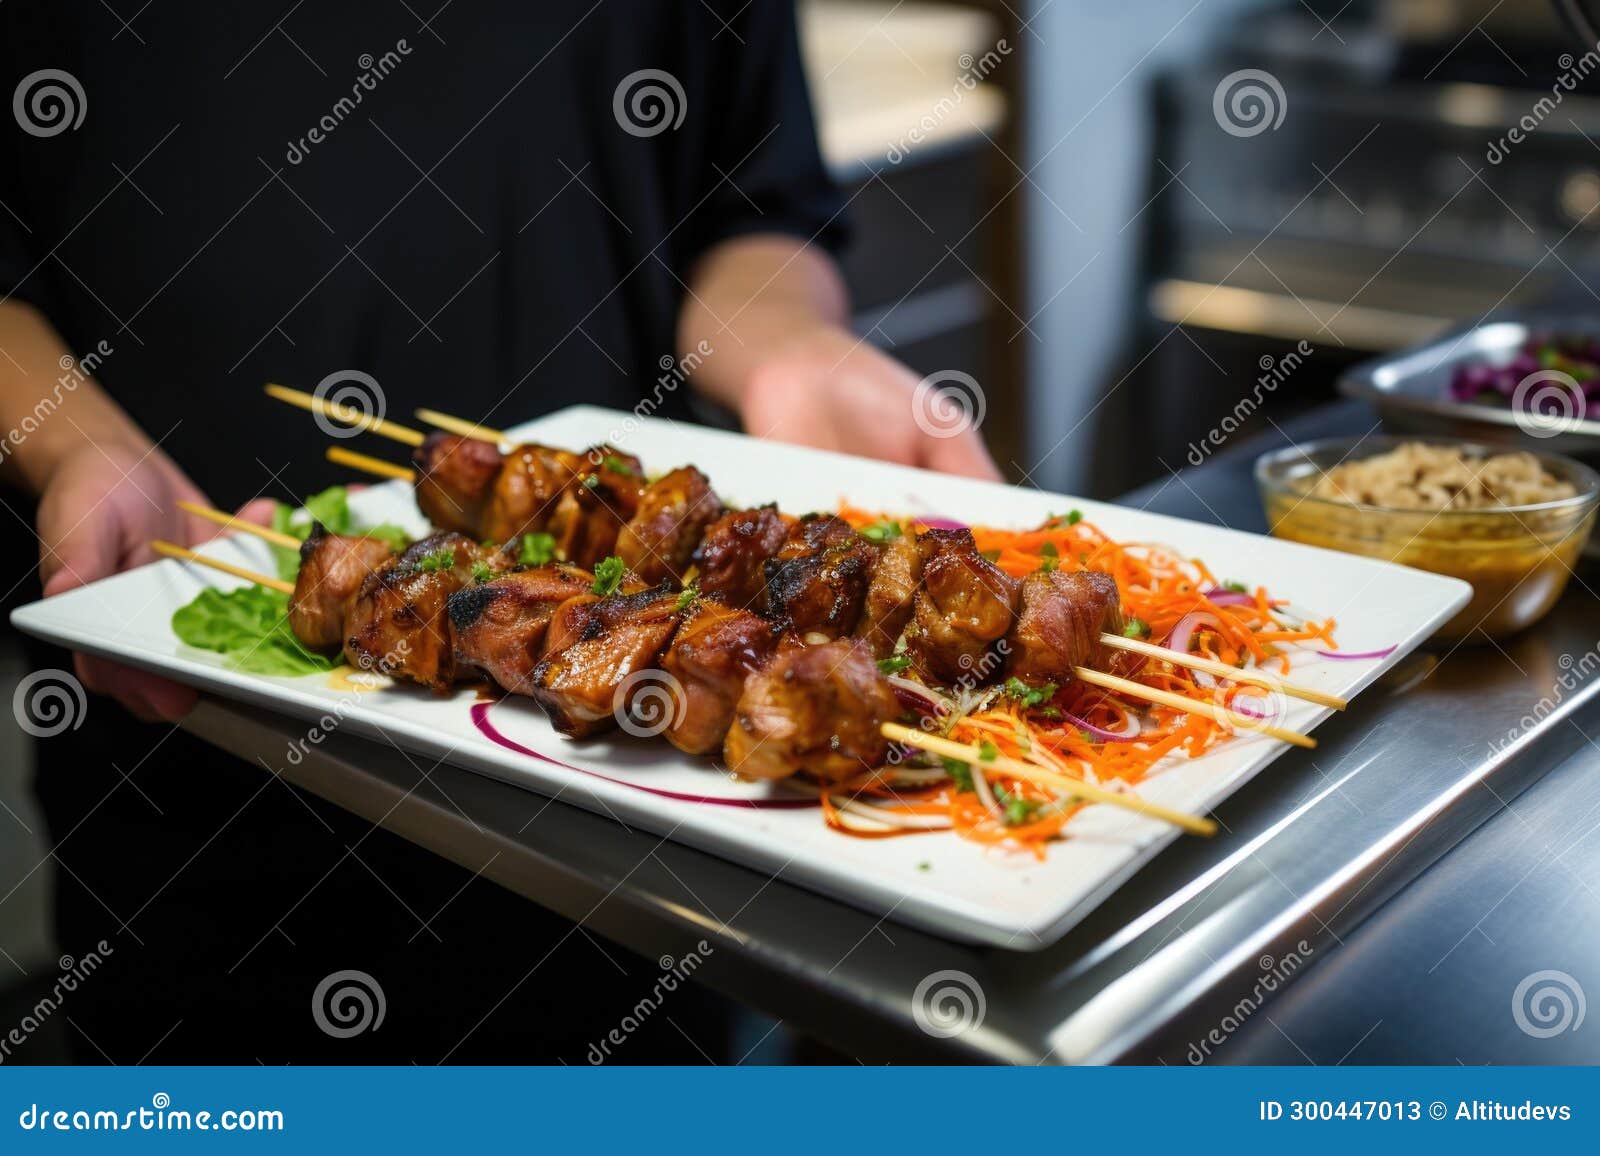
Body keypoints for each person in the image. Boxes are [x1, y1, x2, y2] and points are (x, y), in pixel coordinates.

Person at [0, 2, 997, 1062]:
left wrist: (787, 346)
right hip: (192, 762)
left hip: (642, 842)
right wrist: (65, 442)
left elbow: (751, 204)